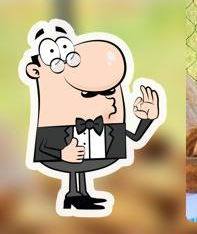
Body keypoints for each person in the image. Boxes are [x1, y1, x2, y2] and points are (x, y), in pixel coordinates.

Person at [20, 19, 162, 214]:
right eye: (88, 94)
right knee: (74, 168)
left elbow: (135, 138)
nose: (109, 100)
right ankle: (74, 195)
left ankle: (80, 195)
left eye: (110, 91)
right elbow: (43, 149)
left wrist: (147, 118)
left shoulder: (109, 126)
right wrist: (61, 154)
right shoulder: (55, 125)